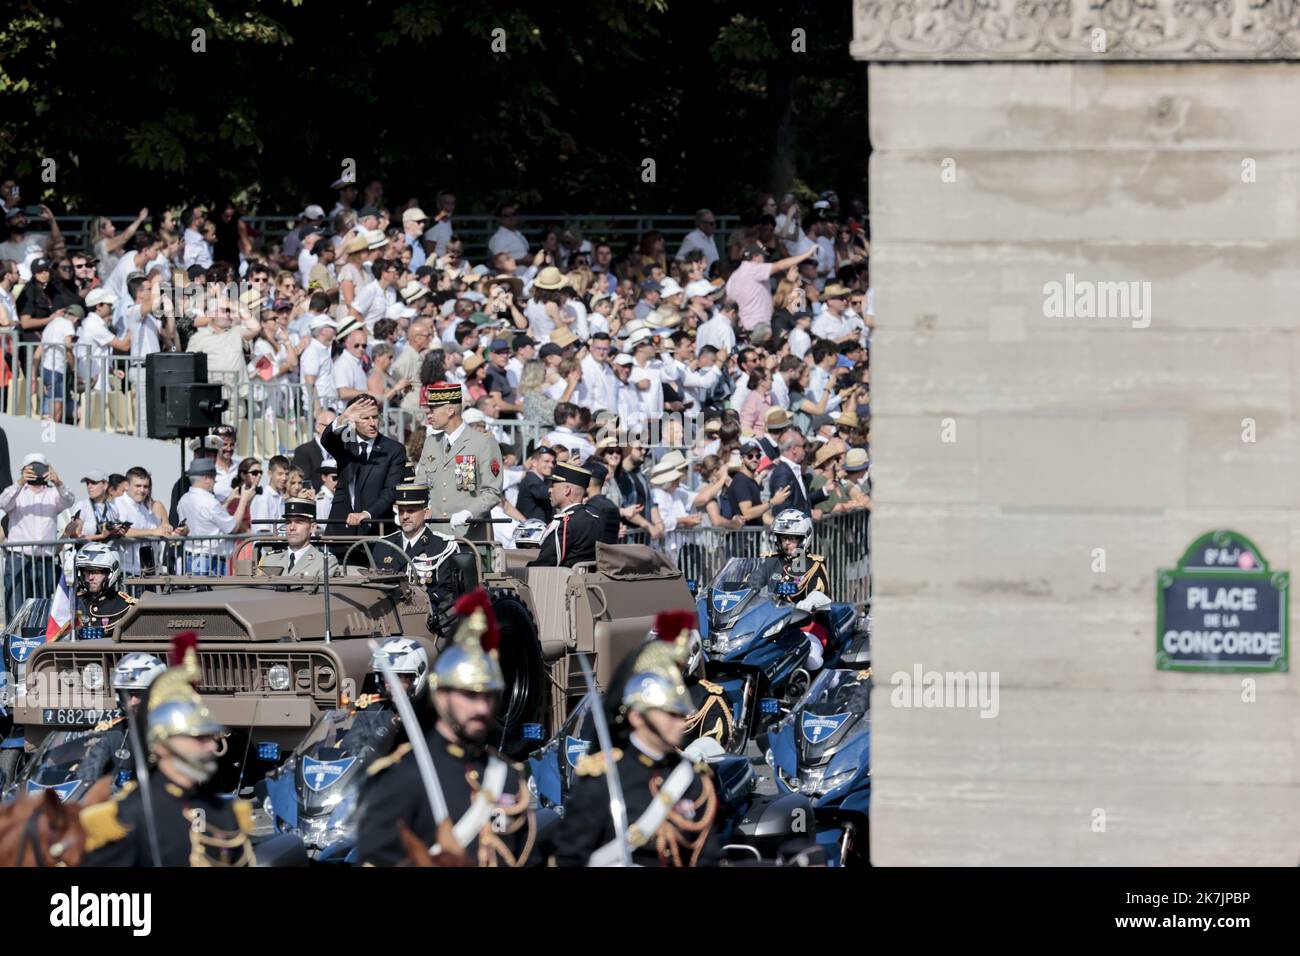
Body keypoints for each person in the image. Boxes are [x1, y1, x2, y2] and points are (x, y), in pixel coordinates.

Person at [355, 589, 537, 866]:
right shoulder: (400, 776)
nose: (481, 708)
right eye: (469, 695)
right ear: (441, 696)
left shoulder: (506, 777)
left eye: (488, 696)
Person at [554, 611, 722, 867]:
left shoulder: (693, 782)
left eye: (681, 711)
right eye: (670, 713)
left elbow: (706, 857)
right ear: (636, 717)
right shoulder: (602, 780)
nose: (682, 719)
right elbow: (571, 858)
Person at [81, 634, 258, 866]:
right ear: (160, 744)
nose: (210, 745)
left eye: (206, 736)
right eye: (194, 737)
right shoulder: (122, 819)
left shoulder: (227, 816)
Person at [414, 382, 503, 540]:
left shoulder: (482, 442)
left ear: (450, 411)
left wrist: (469, 513)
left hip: (469, 537)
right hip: (435, 535)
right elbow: (420, 486)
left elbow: (493, 491)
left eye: (433, 410)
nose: (429, 415)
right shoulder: (431, 443)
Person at [376, 483, 464, 628]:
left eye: (411, 511)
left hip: (424, 617)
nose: (405, 516)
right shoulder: (384, 545)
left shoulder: (442, 546)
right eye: (401, 511)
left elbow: (448, 593)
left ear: (426, 513)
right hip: (386, 618)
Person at [320, 393, 406, 538]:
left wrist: (367, 514)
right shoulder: (345, 443)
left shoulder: (393, 449)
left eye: (375, 417)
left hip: (378, 529)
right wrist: (343, 417)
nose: (373, 423)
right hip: (341, 528)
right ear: (353, 421)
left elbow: (391, 490)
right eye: (365, 418)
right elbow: (327, 440)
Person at [0, 453, 75, 616]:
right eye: (31, 468)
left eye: (40, 468)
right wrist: (20, 482)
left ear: (48, 470)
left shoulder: (53, 493)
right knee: (15, 605)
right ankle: (13, 640)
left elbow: (69, 500)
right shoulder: (16, 491)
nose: (36, 472)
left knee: (42, 606)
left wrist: (58, 481)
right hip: (18, 559)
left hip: (45, 560)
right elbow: (3, 503)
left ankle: (39, 640)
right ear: (23, 471)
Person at [175, 459, 255, 575]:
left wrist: (228, 500)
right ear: (206, 478)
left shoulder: (184, 500)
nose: (215, 481)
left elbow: (209, 517)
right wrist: (243, 500)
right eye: (213, 477)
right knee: (216, 592)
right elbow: (232, 527)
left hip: (191, 558)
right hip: (211, 561)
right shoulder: (210, 502)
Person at [527, 463, 603, 568]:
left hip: (562, 582)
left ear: (567, 490)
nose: (550, 491)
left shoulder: (566, 524)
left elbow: (545, 564)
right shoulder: (593, 519)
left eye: (553, 486)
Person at [61, 543, 136, 639]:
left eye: (96, 572)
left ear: (110, 574)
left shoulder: (125, 606)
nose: (90, 578)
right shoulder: (74, 602)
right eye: (87, 572)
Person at [254, 496, 339, 578]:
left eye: (299, 522)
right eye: (288, 522)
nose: (292, 528)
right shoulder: (270, 560)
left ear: (312, 527)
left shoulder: (325, 562)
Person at [767, 431, 824, 517]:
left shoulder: (791, 469)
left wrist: (825, 491)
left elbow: (801, 501)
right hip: (790, 529)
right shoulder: (783, 473)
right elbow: (783, 508)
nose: (806, 450)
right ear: (794, 449)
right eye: (803, 446)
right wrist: (810, 513)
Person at [291, 409, 336, 490]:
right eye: (329, 426)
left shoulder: (341, 450)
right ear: (318, 427)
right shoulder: (303, 451)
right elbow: (304, 481)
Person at [514, 444, 556, 523]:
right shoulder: (531, 480)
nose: (551, 465)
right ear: (534, 463)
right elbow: (544, 492)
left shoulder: (542, 479)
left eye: (552, 462)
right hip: (533, 531)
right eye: (546, 461)